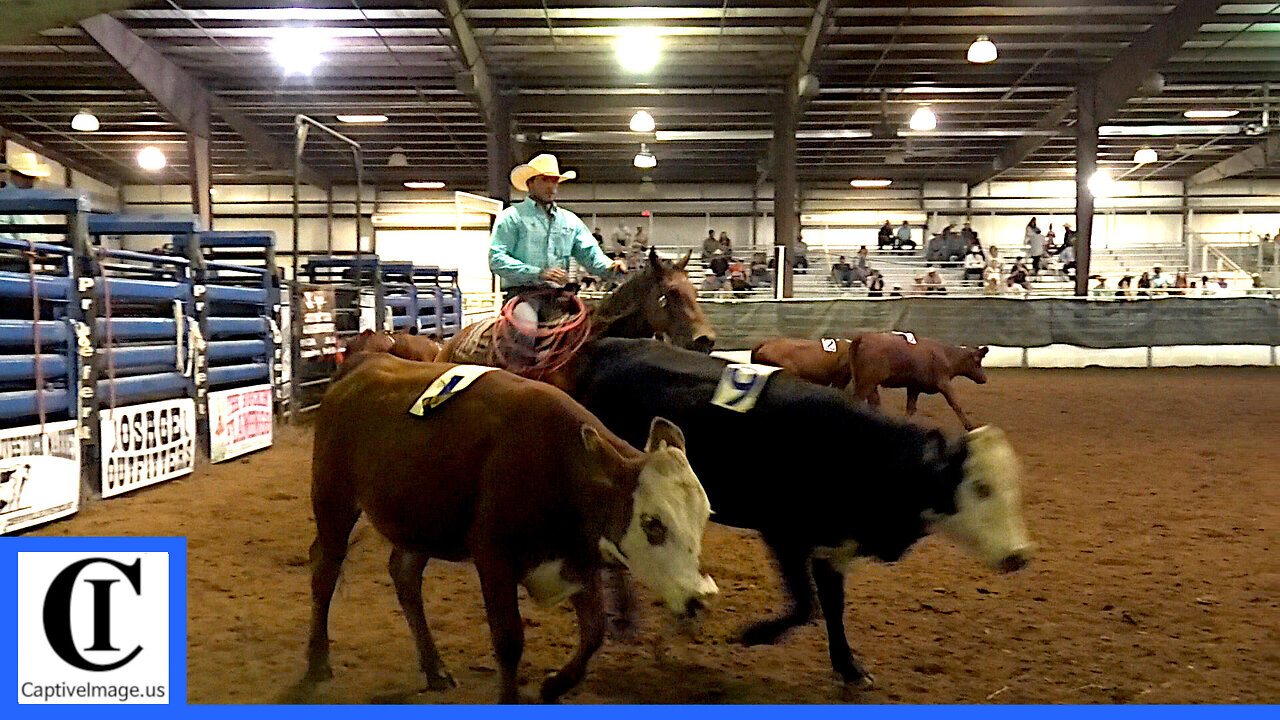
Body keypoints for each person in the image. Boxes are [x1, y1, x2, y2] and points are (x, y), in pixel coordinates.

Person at [489, 154, 627, 340]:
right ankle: (518, 369)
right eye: (545, 180)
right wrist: (538, 272)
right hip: (523, 295)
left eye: (555, 181)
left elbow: (591, 255)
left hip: (559, 297)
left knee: (590, 333)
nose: (551, 186)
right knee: (525, 333)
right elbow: (496, 259)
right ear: (530, 183)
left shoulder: (570, 221)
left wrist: (611, 266)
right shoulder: (512, 217)